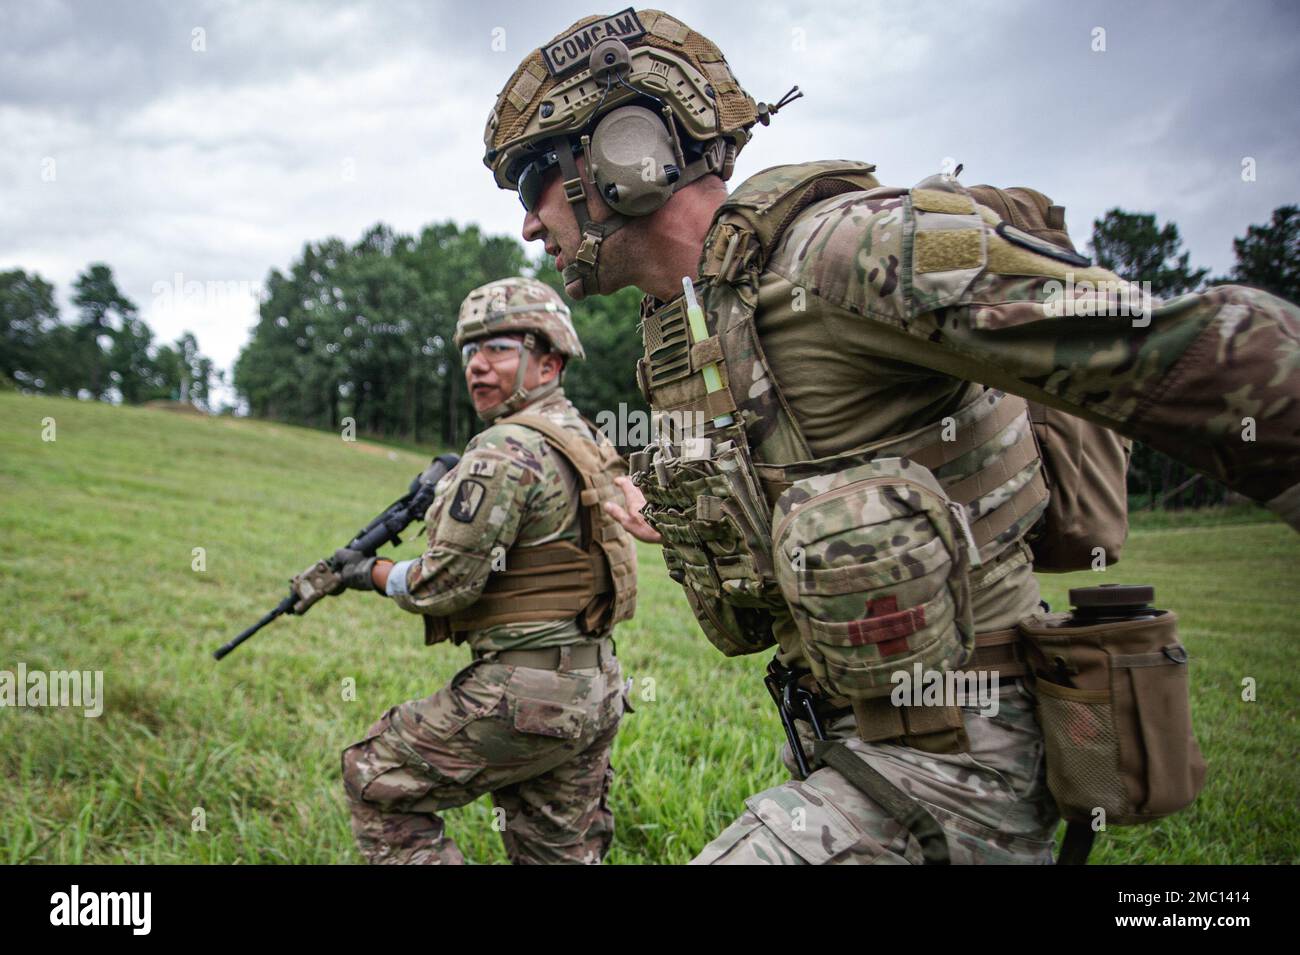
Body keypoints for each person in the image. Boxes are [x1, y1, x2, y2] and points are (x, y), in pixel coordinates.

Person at [480, 8, 1300, 864]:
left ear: (627, 152)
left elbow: (1184, 346)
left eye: (534, 178)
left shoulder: (848, 248)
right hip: (854, 749)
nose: (530, 225)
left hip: (962, 758)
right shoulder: (692, 326)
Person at [336, 276, 637, 864]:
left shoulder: (505, 448)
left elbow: (444, 585)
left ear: (548, 361)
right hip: (595, 685)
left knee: (373, 778)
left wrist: (373, 573)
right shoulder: (584, 437)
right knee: (557, 853)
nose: (477, 365)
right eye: (471, 351)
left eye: (499, 348)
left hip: (524, 698)